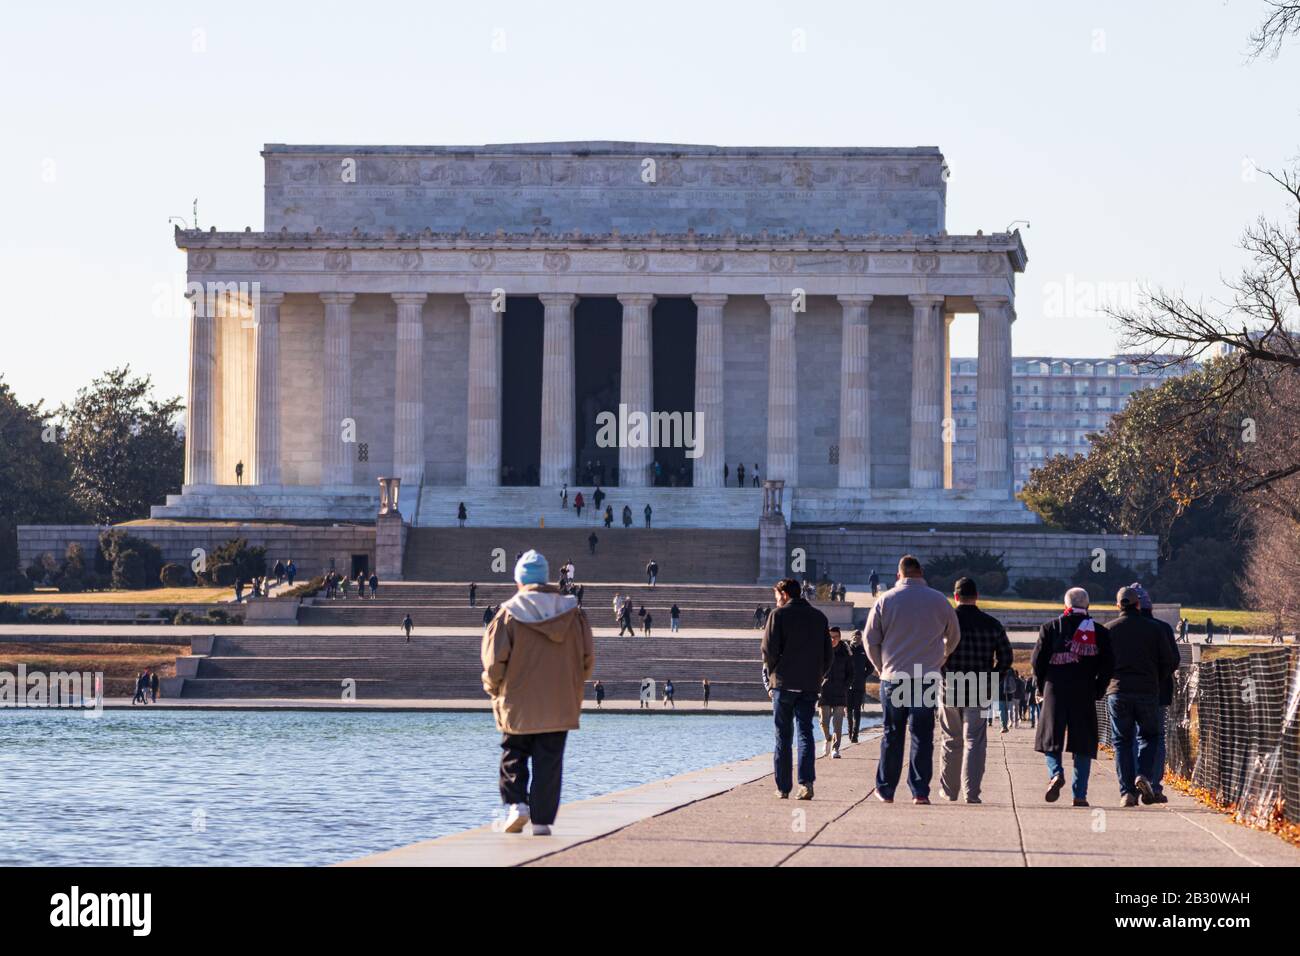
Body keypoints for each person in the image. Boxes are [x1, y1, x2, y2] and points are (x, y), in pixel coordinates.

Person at [481, 549, 595, 836]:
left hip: (517, 701)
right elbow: (587, 659)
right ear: (545, 580)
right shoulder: (573, 613)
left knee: (514, 754)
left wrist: (492, 688)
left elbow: (494, 662)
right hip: (559, 703)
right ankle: (542, 822)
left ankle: (517, 804)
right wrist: (572, 685)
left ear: (519, 581)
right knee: (549, 762)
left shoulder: (508, 613)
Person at [864, 555, 960, 805]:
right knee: (922, 735)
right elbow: (954, 635)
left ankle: (886, 789)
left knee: (892, 734)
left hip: (894, 675)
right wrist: (942, 655)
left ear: (899, 574)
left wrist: (880, 666)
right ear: (921, 573)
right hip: (926, 676)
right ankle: (920, 790)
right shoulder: (939, 600)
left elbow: (870, 639)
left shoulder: (885, 600)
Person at [1032, 587, 1115, 808]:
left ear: (1065, 606)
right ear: (1088, 606)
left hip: (1055, 689)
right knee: (1083, 743)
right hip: (1084, 690)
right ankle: (1080, 795)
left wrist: (1041, 687)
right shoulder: (1099, 632)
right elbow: (1108, 665)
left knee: (1051, 738)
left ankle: (1056, 773)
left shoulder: (1050, 628)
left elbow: (1037, 662)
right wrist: (1098, 688)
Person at [939, 577, 1012, 804]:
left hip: (950, 684)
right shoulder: (992, 624)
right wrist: (992, 679)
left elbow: (934, 653)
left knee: (951, 739)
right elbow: (1006, 658)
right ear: (977, 596)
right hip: (980, 686)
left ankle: (949, 791)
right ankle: (971, 793)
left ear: (956, 596)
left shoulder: (945, 623)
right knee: (975, 741)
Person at [1106, 585, 1179, 807]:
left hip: (1118, 691)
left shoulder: (1109, 630)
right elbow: (1170, 661)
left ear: (1118, 605)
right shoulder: (1156, 629)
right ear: (1138, 604)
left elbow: (1101, 663)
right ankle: (1144, 774)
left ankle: (1127, 792)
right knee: (1151, 736)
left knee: (1122, 742)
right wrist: (1156, 678)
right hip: (1147, 691)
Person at [761, 578, 832, 800]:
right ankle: (806, 783)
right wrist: (818, 675)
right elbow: (828, 655)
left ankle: (783, 787)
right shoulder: (819, 617)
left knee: (783, 736)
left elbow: (768, 650)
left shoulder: (778, 615)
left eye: (777, 597)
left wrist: (775, 673)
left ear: (784, 594)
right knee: (805, 733)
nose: (776, 601)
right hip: (809, 685)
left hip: (783, 684)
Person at [1131, 584, 1179, 804]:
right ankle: (1155, 784)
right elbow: (1173, 660)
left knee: (1131, 738)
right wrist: (1158, 677)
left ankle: (1133, 781)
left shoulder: (1122, 628)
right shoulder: (1163, 628)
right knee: (1156, 737)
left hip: (1128, 691)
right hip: (1158, 693)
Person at [818, 627, 853, 758]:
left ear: (839, 637)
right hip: (824, 692)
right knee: (824, 722)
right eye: (830, 637)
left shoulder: (845, 653)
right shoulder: (821, 651)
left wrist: (845, 687)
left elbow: (851, 673)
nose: (833, 639)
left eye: (835, 637)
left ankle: (835, 749)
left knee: (837, 724)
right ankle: (828, 738)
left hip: (840, 692)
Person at [846, 630, 871, 743]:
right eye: (855, 637)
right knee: (848, 711)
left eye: (859, 637)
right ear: (851, 637)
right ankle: (849, 732)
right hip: (847, 686)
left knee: (857, 710)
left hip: (859, 686)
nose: (857, 639)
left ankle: (855, 735)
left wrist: (863, 676)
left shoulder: (864, 651)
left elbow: (870, 667)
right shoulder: (847, 650)